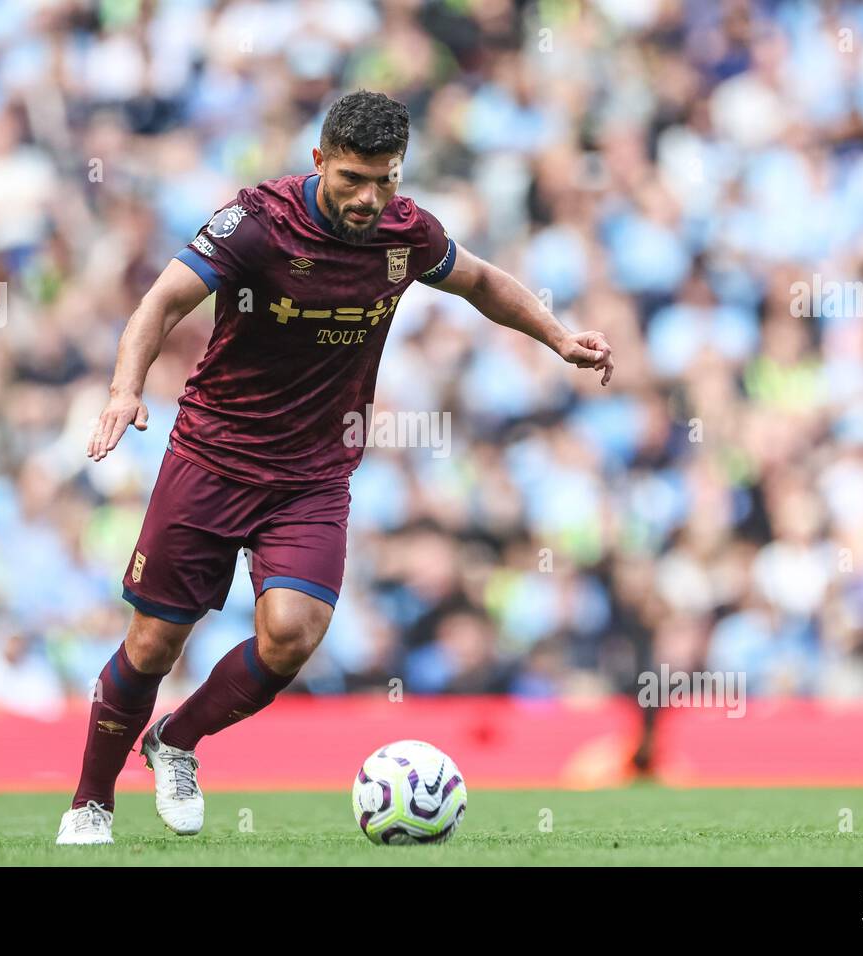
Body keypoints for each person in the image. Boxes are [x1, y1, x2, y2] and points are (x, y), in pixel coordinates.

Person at [56, 90, 613, 845]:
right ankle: (91, 803)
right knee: (155, 643)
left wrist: (557, 337)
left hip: (314, 473)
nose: (370, 196)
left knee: (293, 633)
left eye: (386, 179)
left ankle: (175, 741)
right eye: (353, 177)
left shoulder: (406, 235)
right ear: (319, 160)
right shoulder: (257, 225)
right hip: (213, 456)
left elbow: (480, 282)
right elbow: (159, 304)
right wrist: (124, 391)